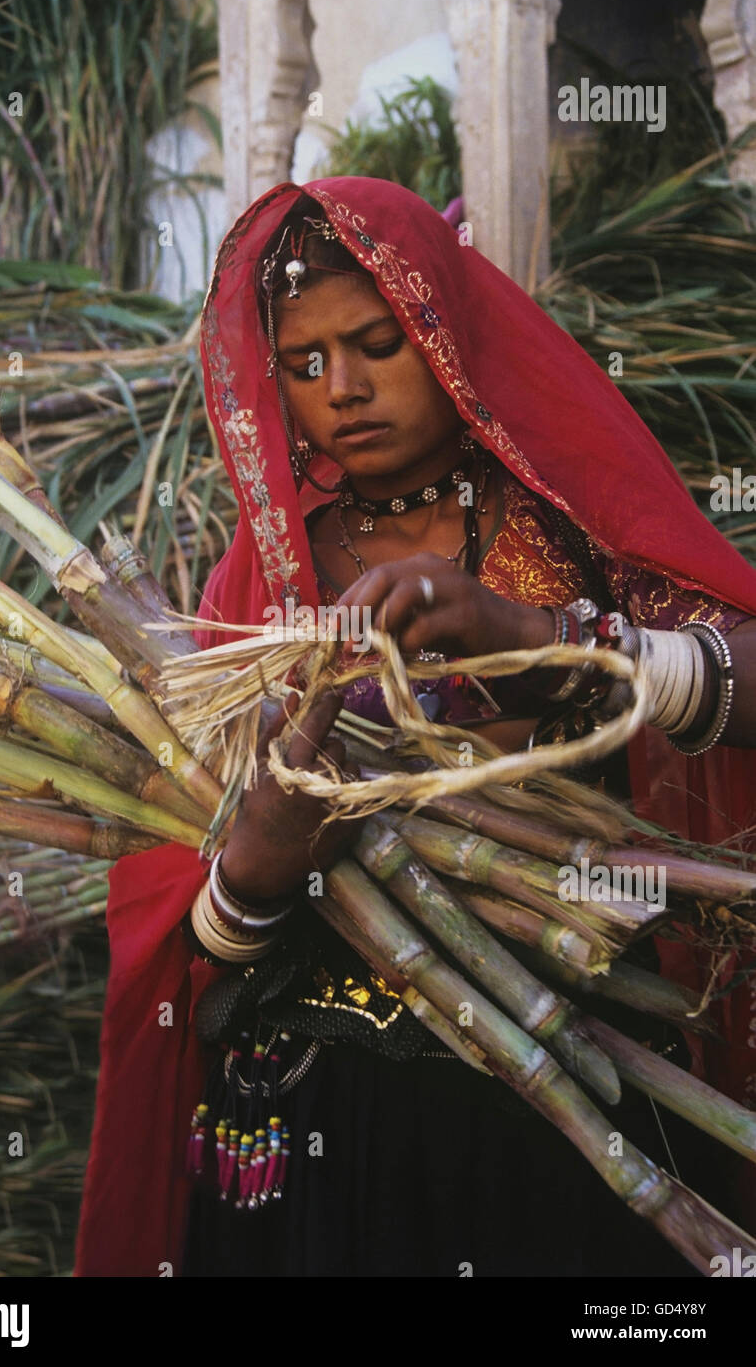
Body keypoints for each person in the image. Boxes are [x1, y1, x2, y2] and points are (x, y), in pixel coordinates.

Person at [74, 177, 756, 1278]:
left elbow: (740, 667)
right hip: (316, 1113)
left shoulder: (572, 526)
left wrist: (555, 646)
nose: (340, 389)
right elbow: (179, 892)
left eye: (375, 342)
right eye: (302, 363)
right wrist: (250, 877)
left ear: (440, 326)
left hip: (563, 1079)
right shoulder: (264, 575)